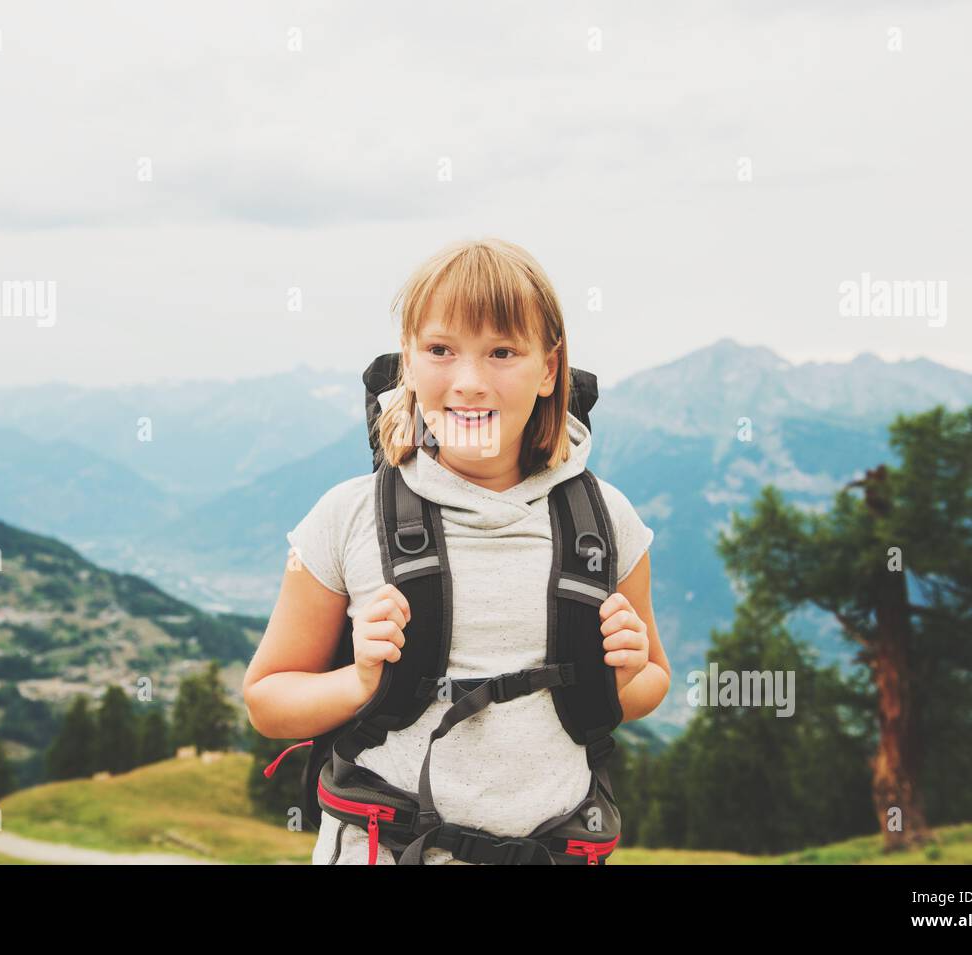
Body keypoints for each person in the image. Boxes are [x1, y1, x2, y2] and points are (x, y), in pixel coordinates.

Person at [243, 237, 671, 864]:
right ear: (408, 365)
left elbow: (649, 684)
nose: (469, 382)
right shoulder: (346, 516)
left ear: (549, 369)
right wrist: (362, 680)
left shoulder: (606, 523)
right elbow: (268, 702)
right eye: (441, 350)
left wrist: (627, 673)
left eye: (502, 352)